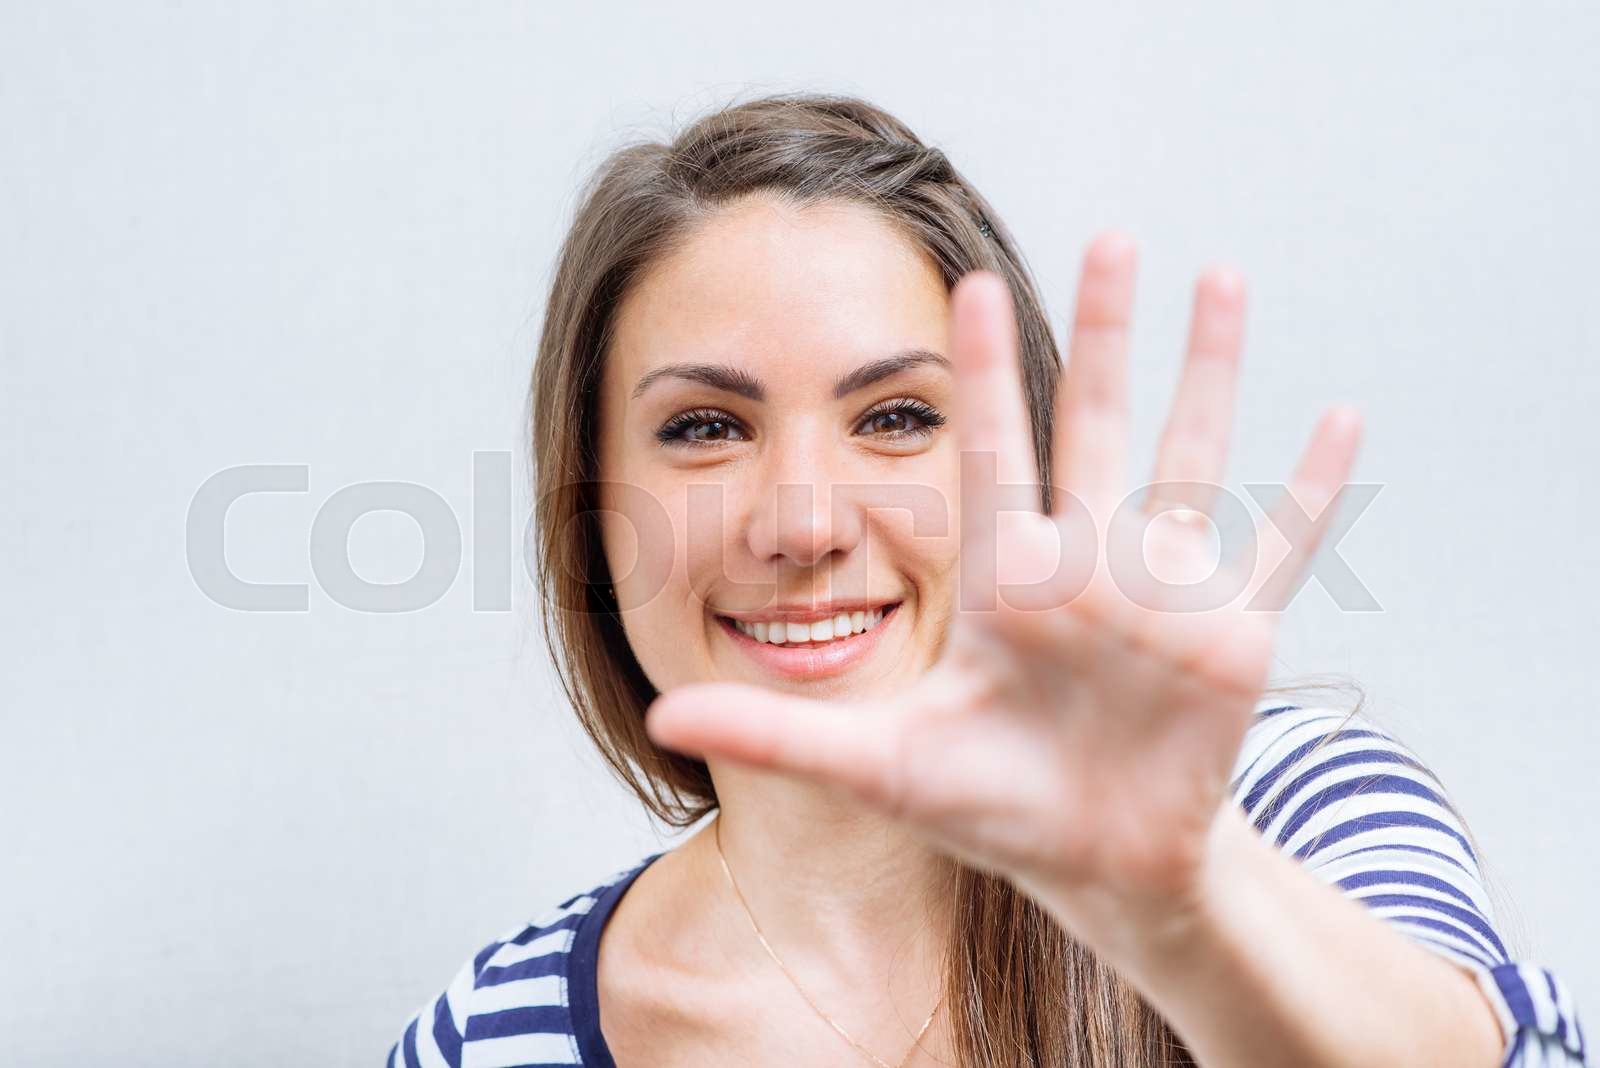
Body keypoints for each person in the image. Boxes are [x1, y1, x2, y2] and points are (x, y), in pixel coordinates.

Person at [386, 92, 1588, 1067]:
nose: (802, 520)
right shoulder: (491, 1033)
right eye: (704, 428)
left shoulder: (1281, 816)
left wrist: (1183, 901)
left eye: (898, 416)